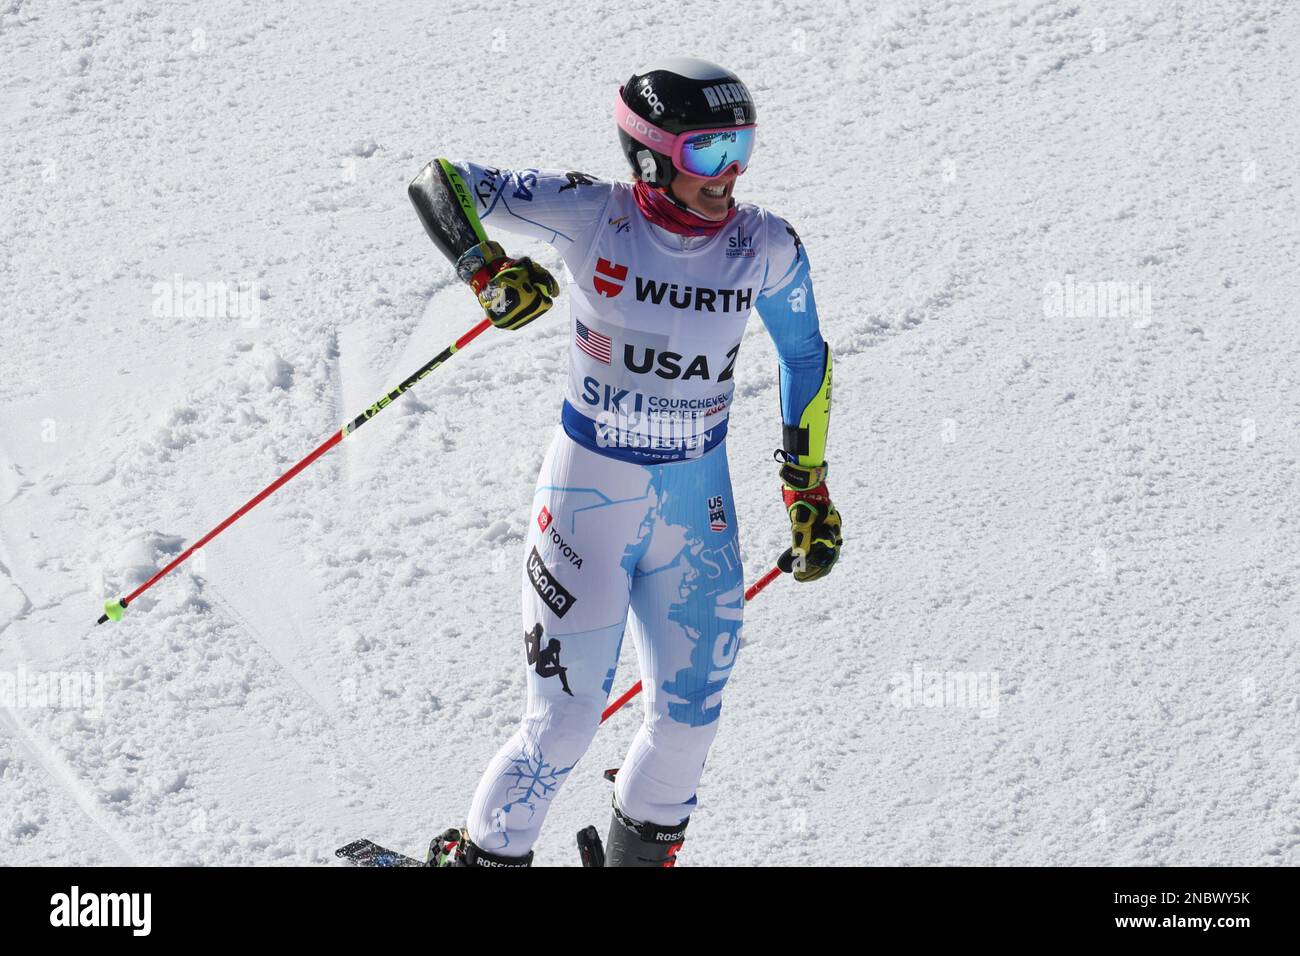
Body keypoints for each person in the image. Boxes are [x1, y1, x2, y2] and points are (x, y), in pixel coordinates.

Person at [407, 57, 841, 867]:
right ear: (650, 155)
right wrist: (486, 271)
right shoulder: (592, 213)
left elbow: (806, 358)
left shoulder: (766, 245)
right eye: (709, 153)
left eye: (742, 147)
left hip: (696, 508)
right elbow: (440, 183)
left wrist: (806, 487)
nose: (731, 172)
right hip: (588, 502)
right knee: (561, 725)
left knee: (689, 721)